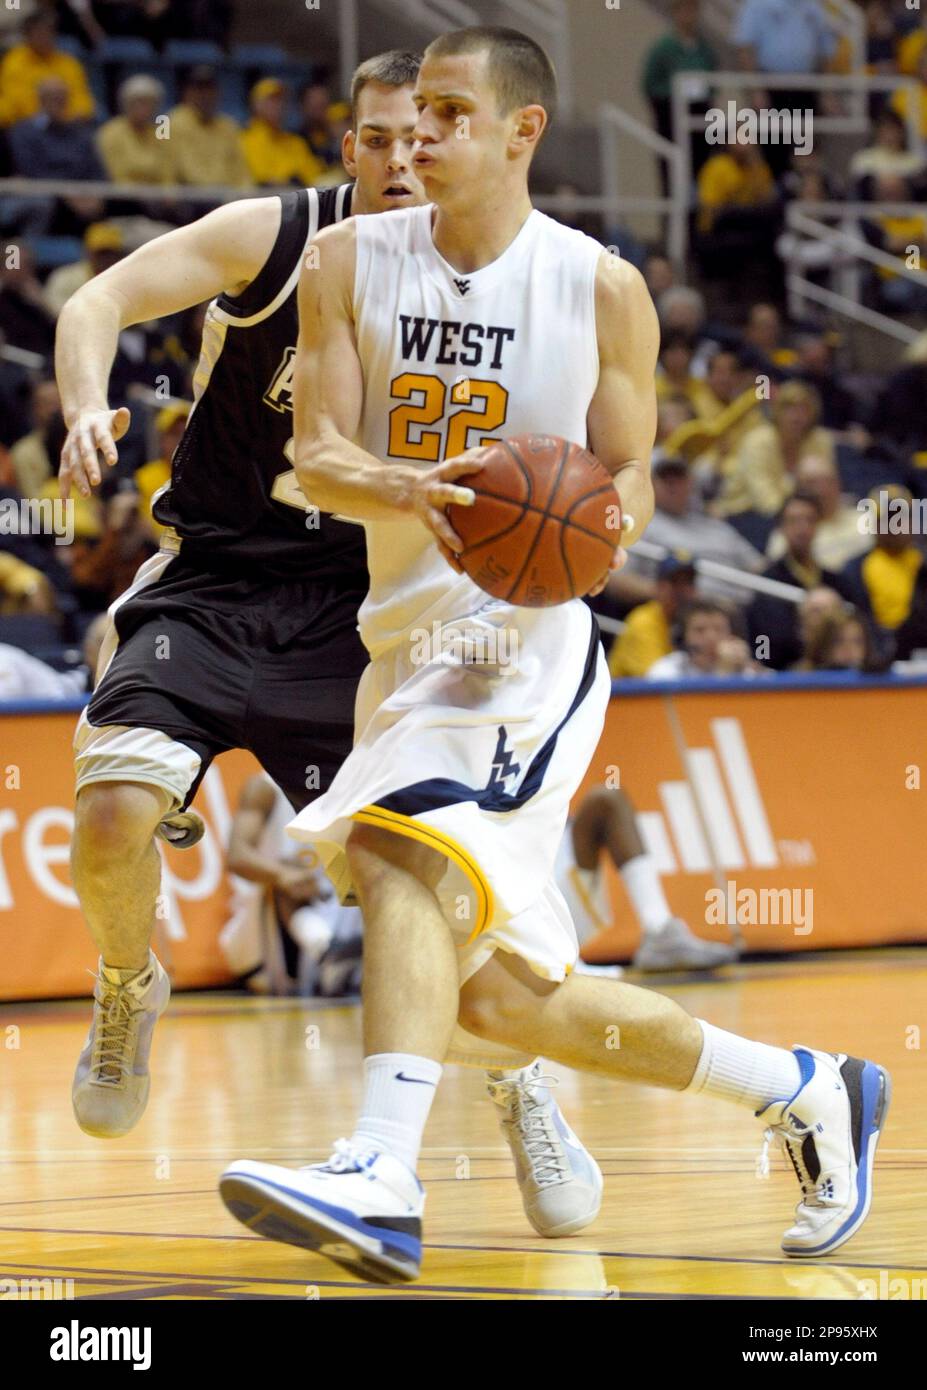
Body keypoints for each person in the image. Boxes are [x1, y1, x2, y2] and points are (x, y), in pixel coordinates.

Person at [219, 26, 888, 1285]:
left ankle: (380, 1170)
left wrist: (585, 520)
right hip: (402, 645)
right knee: (496, 1006)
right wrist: (418, 488)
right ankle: (806, 1088)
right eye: (410, 117)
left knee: (395, 843)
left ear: (524, 131)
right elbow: (308, 454)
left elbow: (628, 475)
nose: (417, 139)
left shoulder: (598, 286)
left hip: (524, 645)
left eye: (449, 116)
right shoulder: (347, 259)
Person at [55, 50, 596, 1240]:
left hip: (366, 616)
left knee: (427, 898)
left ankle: (521, 1081)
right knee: (109, 820)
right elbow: (93, 301)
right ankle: (124, 985)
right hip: (212, 580)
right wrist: (90, 401)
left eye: (423, 136)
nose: (402, 161)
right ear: (347, 147)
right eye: (376, 140)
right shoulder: (281, 235)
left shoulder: (494, 283)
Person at [557, 786, 738, 971]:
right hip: (532, 901)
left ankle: (659, 931)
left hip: (552, 882)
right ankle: (548, 958)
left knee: (607, 800)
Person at [223, 773, 363, 997]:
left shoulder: (355, 779)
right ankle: (327, 952)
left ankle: (349, 966)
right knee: (291, 870)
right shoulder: (264, 788)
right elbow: (237, 856)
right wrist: (282, 875)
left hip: (338, 909)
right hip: (270, 932)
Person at [609, 550, 696, 678]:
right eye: (675, 583)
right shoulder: (643, 621)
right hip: (622, 696)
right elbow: (657, 681)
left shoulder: (687, 623)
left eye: (688, 583)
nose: (681, 592)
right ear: (658, 587)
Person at [0, 10, 95, 127]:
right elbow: (15, 101)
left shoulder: (68, 63)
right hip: (26, 124)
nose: (44, 37)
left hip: (65, 123)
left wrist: (65, 116)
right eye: (39, 33)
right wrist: (46, 116)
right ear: (27, 36)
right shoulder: (14, 61)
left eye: (48, 32)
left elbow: (82, 101)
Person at [167, 66, 253, 190]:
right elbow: (164, 164)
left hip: (224, 195)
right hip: (186, 195)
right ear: (186, 92)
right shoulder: (167, 121)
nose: (205, 95)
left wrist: (247, 194)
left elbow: (241, 169)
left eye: (209, 89)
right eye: (199, 89)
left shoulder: (229, 125)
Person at [647, 597, 765, 679]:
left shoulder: (744, 670)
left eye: (718, 629)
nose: (711, 637)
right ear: (682, 637)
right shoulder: (666, 671)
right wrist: (724, 672)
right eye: (700, 630)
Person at [239, 78, 324, 188]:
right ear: (256, 105)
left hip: (298, 199)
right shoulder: (246, 139)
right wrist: (293, 179)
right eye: (271, 99)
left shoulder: (295, 142)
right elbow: (263, 180)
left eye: (281, 100)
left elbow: (315, 176)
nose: (278, 105)